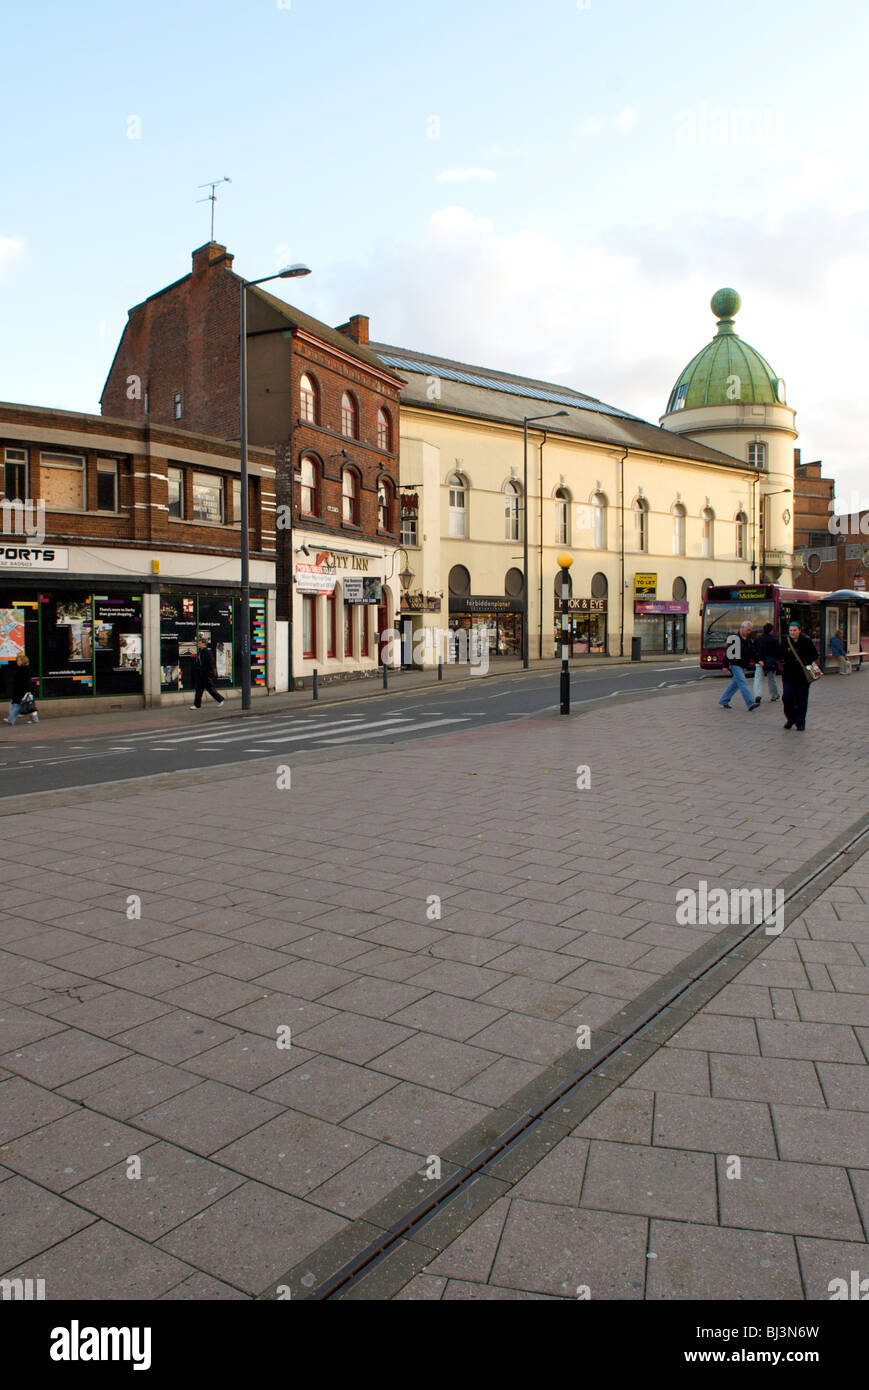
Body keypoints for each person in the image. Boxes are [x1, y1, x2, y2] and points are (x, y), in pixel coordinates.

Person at [782, 620, 819, 731]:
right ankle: (790, 718)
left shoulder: (806, 641)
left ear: (799, 631)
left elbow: (814, 655)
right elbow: (780, 653)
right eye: (790, 630)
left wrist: (805, 661)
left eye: (794, 630)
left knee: (801, 700)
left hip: (802, 676)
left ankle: (800, 722)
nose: (792, 632)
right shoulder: (785, 641)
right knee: (787, 698)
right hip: (788, 675)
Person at [719, 620, 759, 712]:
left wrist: (758, 660)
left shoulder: (748, 641)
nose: (750, 632)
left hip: (743, 665)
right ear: (742, 628)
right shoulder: (734, 639)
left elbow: (753, 652)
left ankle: (724, 700)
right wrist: (725, 665)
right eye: (748, 630)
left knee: (735, 684)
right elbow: (728, 653)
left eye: (750, 630)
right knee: (742, 682)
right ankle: (750, 703)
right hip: (735, 664)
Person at [190, 634, 225, 709]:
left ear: (203, 644)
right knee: (199, 690)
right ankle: (197, 705)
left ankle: (220, 699)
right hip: (201, 674)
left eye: (199, 643)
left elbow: (209, 663)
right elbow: (199, 663)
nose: (198, 645)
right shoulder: (201, 652)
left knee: (210, 689)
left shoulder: (207, 652)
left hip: (206, 674)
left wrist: (208, 672)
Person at [4, 652, 39, 725]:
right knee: (28, 704)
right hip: (21, 690)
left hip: (23, 691)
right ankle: (34, 719)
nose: (17, 662)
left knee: (19, 705)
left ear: (23, 661)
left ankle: (10, 720)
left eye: (19, 660)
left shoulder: (24, 670)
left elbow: (27, 681)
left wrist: (28, 691)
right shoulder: (20, 669)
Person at [753, 622, 781, 703]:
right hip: (770, 662)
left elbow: (754, 650)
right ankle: (774, 695)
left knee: (758, 678)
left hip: (759, 661)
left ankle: (757, 694)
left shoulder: (758, 639)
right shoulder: (774, 640)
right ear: (771, 631)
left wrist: (758, 659)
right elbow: (778, 653)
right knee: (772, 679)